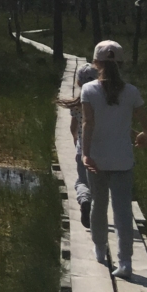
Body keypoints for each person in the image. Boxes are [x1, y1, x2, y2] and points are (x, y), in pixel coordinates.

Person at [80, 40, 147, 278]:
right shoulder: (131, 91)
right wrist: (145, 135)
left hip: (97, 160)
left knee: (98, 206)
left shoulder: (88, 90)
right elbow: (144, 121)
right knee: (122, 211)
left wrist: (85, 153)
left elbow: (88, 124)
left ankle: (100, 250)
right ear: (120, 63)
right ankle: (125, 263)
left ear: (95, 62)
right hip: (123, 160)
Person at [60, 61, 99, 228]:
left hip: (83, 150)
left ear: (78, 82)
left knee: (82, 181)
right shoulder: (101, 104)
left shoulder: (77, 104)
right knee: (99, 184)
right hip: (100, 150)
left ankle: (84, 200)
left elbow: (73, 127)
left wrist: (76, 140)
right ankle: (97, 212)